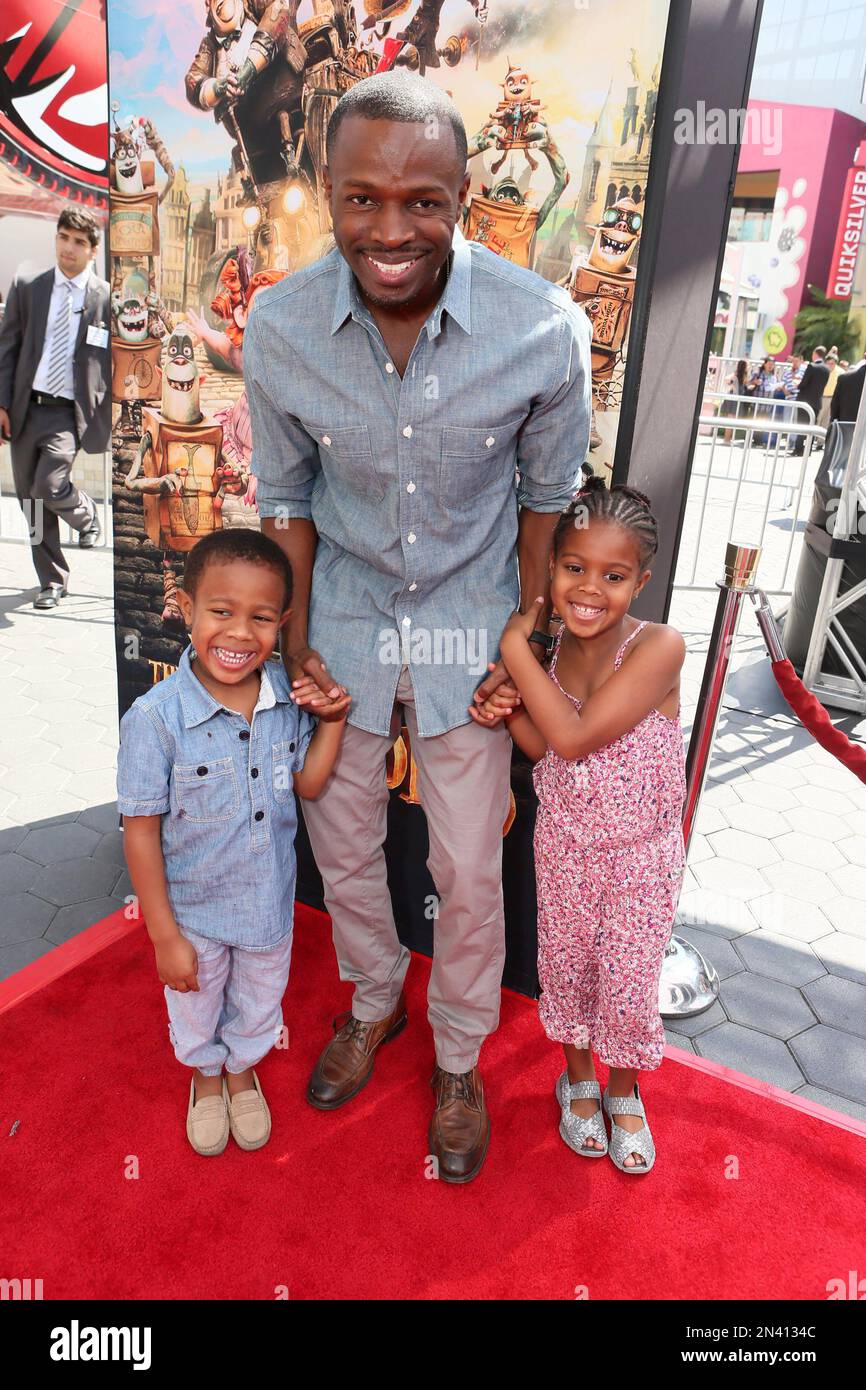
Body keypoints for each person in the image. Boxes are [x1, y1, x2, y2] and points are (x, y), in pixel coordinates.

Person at [245, 70, 591, 1183]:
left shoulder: (542, 330)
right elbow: (287, 502)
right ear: (327, 191)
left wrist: (525, 642)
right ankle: (371, 1000)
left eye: (421, 201)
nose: (389, 230)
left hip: (467, 627)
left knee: (467, 871)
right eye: (361, 199)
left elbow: (546, 503)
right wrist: (295, 641)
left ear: (461, 192)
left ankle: (455, 1057)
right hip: (340, 619)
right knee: (342, 851)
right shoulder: (280, 326)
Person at [117, 530, 349, 1156]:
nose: (240, 633)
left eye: (261, 618)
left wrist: (332, 724)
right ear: (185, 605)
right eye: (221, 611)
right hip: (192, 916)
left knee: (257, 1002)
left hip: (267, 908)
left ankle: (243, 1068)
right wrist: (163, 934)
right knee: (195, 1008)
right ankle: (206, 1075)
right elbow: (139, 830)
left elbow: (309, 783)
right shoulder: (154, 721)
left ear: (284, 623)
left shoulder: (285, 703)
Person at [478, 478, 685, 1174]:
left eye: (614, 575)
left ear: (641, 582)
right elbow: (549, 755)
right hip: (564, 845)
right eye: (574, 568)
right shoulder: (554, 650)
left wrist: (513, 650)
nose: (590, 588)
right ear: (553, 568)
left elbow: (572, 735)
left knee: (627, 982)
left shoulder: (660, 647)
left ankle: (625, 1090)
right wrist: (507, 712)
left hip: (640, 860)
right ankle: (580, 1080)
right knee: (566, 972)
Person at [0, 207, 109, 608]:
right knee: (29, 500)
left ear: (92, 249)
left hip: (68, 413)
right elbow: (7, 347)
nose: (68, 248)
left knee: (48, 486)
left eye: (78, 242)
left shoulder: (104, 298)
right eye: (63, 237)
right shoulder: (30, 286)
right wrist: (1, 404)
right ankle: (52, 580)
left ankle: (86, 513)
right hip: (26, 408)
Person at [789, 346, 829, 456]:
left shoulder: (811, 366)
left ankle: (798, 449)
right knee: (812, 427)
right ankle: (808, 450)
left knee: (801, 426)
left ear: (815, 354)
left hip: (805, 401)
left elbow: (804, 383)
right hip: (817, 402)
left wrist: (797, 384)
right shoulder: (826, 369)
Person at [746, 356, 776, 446]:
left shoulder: (774, 376)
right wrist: (755, 382)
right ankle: (748, 439)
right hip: (757, 404)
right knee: (753, 421)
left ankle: (758, 441)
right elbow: (748, 383)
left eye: (772, 364)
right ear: (764, 364)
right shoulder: (758, 373)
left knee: (763, 422)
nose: (771, 366)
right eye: (769, 364)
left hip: (767, 405)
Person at [830, 355, 866, 424]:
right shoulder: (844, 378)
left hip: (845, 428)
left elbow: (835, 405)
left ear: (864, 357)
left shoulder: (845, 378)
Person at [817, 352, 839, 430]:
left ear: (836, 363)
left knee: (826, 421)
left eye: (832, 363)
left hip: (832, 399)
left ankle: (821, 440)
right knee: (818, 419)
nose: (830, 365)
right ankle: (812, 438)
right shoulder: (822, 371)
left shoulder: (840, 372)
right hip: (821, 398)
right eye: (828, 363)